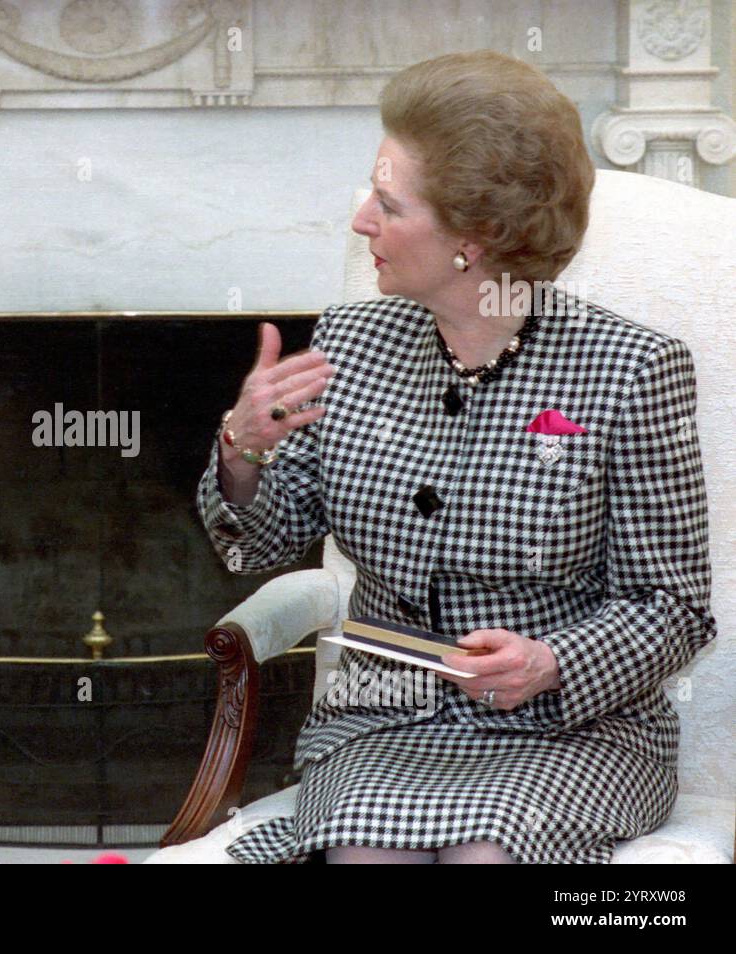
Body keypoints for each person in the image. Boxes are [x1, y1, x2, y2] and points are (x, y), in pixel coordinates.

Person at [199, 50, 716, 863]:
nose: (361, 219)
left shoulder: (629, 370)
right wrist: (243, 450)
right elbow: (256, 546)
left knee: (486, 855)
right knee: (363, 851)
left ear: (477, 239)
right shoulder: (351, 341)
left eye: (388, 203)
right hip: (383, 715)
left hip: (574, 729)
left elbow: (673, 606)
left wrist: (550, 662)